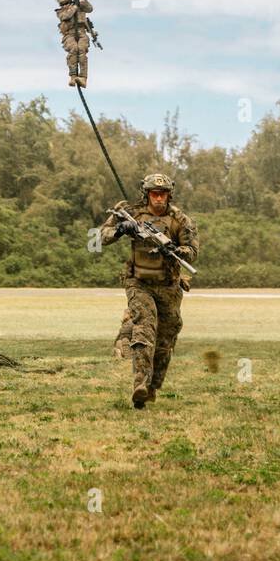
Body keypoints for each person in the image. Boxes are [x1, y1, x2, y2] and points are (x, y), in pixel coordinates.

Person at [100, 172, 198, 408]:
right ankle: (139, 385)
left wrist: (174, 250)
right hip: (139, 283)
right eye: (154, 194)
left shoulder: (180, 220)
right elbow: (101, 237)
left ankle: (153, 386)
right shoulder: (132, 213)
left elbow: (192, 252)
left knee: (166, 337)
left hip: (169, 286)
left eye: (163, 194)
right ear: (146, 194)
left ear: (169, 195)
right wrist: (121, 229)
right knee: (144, 329)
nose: (159, 199)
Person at [54, 0, 98, 87]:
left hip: (81, 32)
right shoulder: (60, 11)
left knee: (81, 50)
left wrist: (82, 0)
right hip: (69, 34)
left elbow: (89, 9)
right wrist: (75, 7)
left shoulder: (79, 5)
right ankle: (73, 76)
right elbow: (66, 16)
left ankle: (83, 78)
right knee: (73, 49)